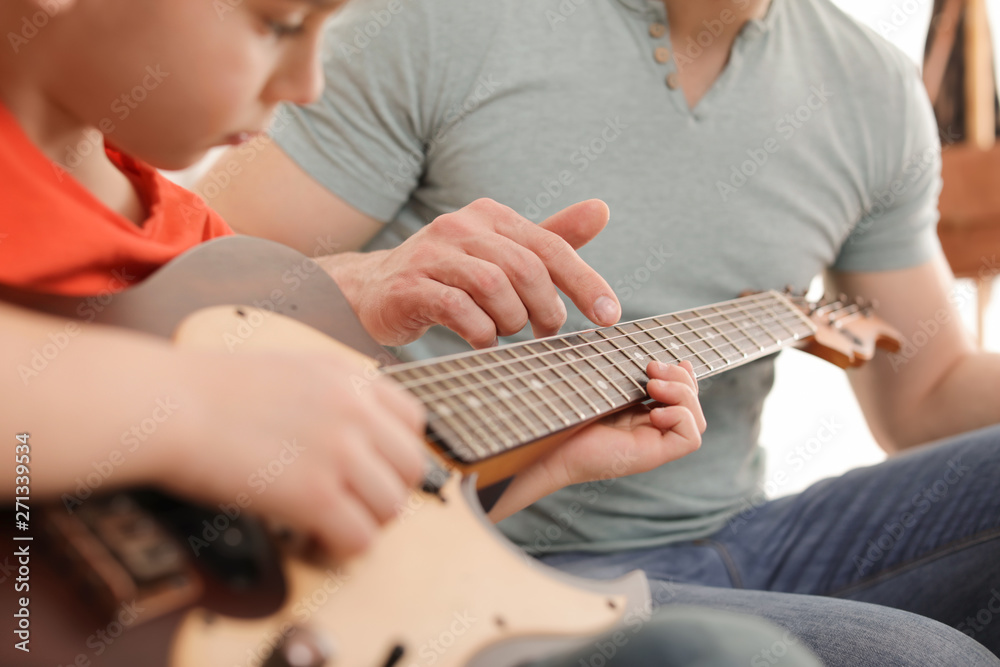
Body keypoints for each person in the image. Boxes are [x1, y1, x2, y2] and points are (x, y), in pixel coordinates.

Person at [0, 1, 820, 666]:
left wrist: (545, 462)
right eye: (278, 22)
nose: (310, 82)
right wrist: (193, 406)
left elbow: (279, 550)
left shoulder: (197, 245)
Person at [204, 0, 1000, 664]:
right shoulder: (433, 21)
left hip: (739, 534)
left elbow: (927, 397)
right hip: (478, 546)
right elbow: (176, 296)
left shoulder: (876, 88)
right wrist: (366, 278)